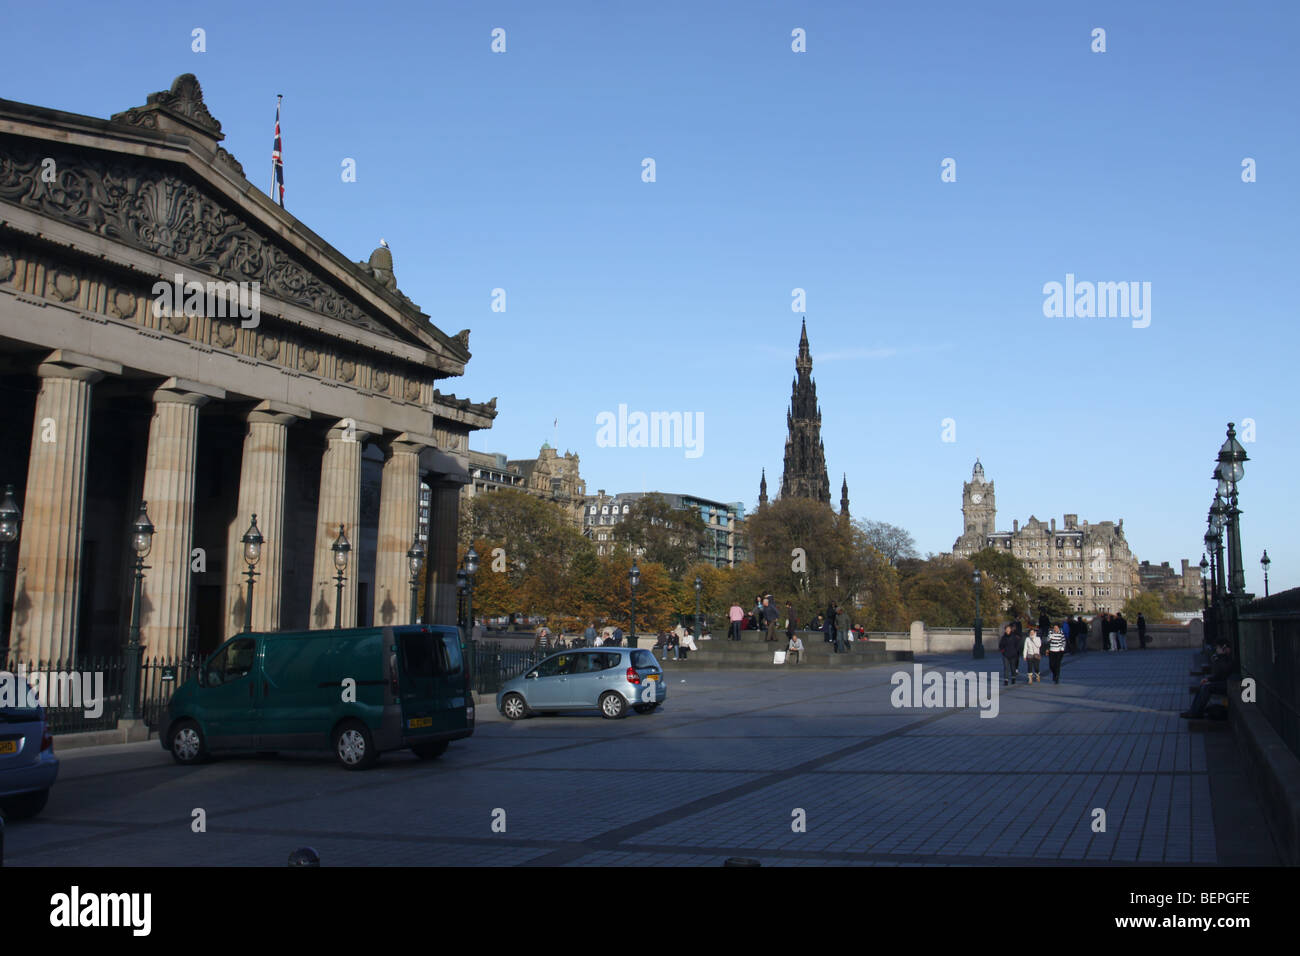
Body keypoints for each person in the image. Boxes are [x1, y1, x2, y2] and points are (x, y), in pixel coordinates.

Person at [1181, 642, 1235, 718]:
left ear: (1224, 648)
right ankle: (1193, 711)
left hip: (1230, 684)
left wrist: (1222, 656)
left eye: (1218, 648)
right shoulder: (1221, 657)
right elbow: (1217, 674)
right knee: (1203, 685)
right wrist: (1208, 679)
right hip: (1223, 682)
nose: (1217, 651)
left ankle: (1196, 713)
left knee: (1207, 687)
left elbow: (1224, 671)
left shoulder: (1229, 658)